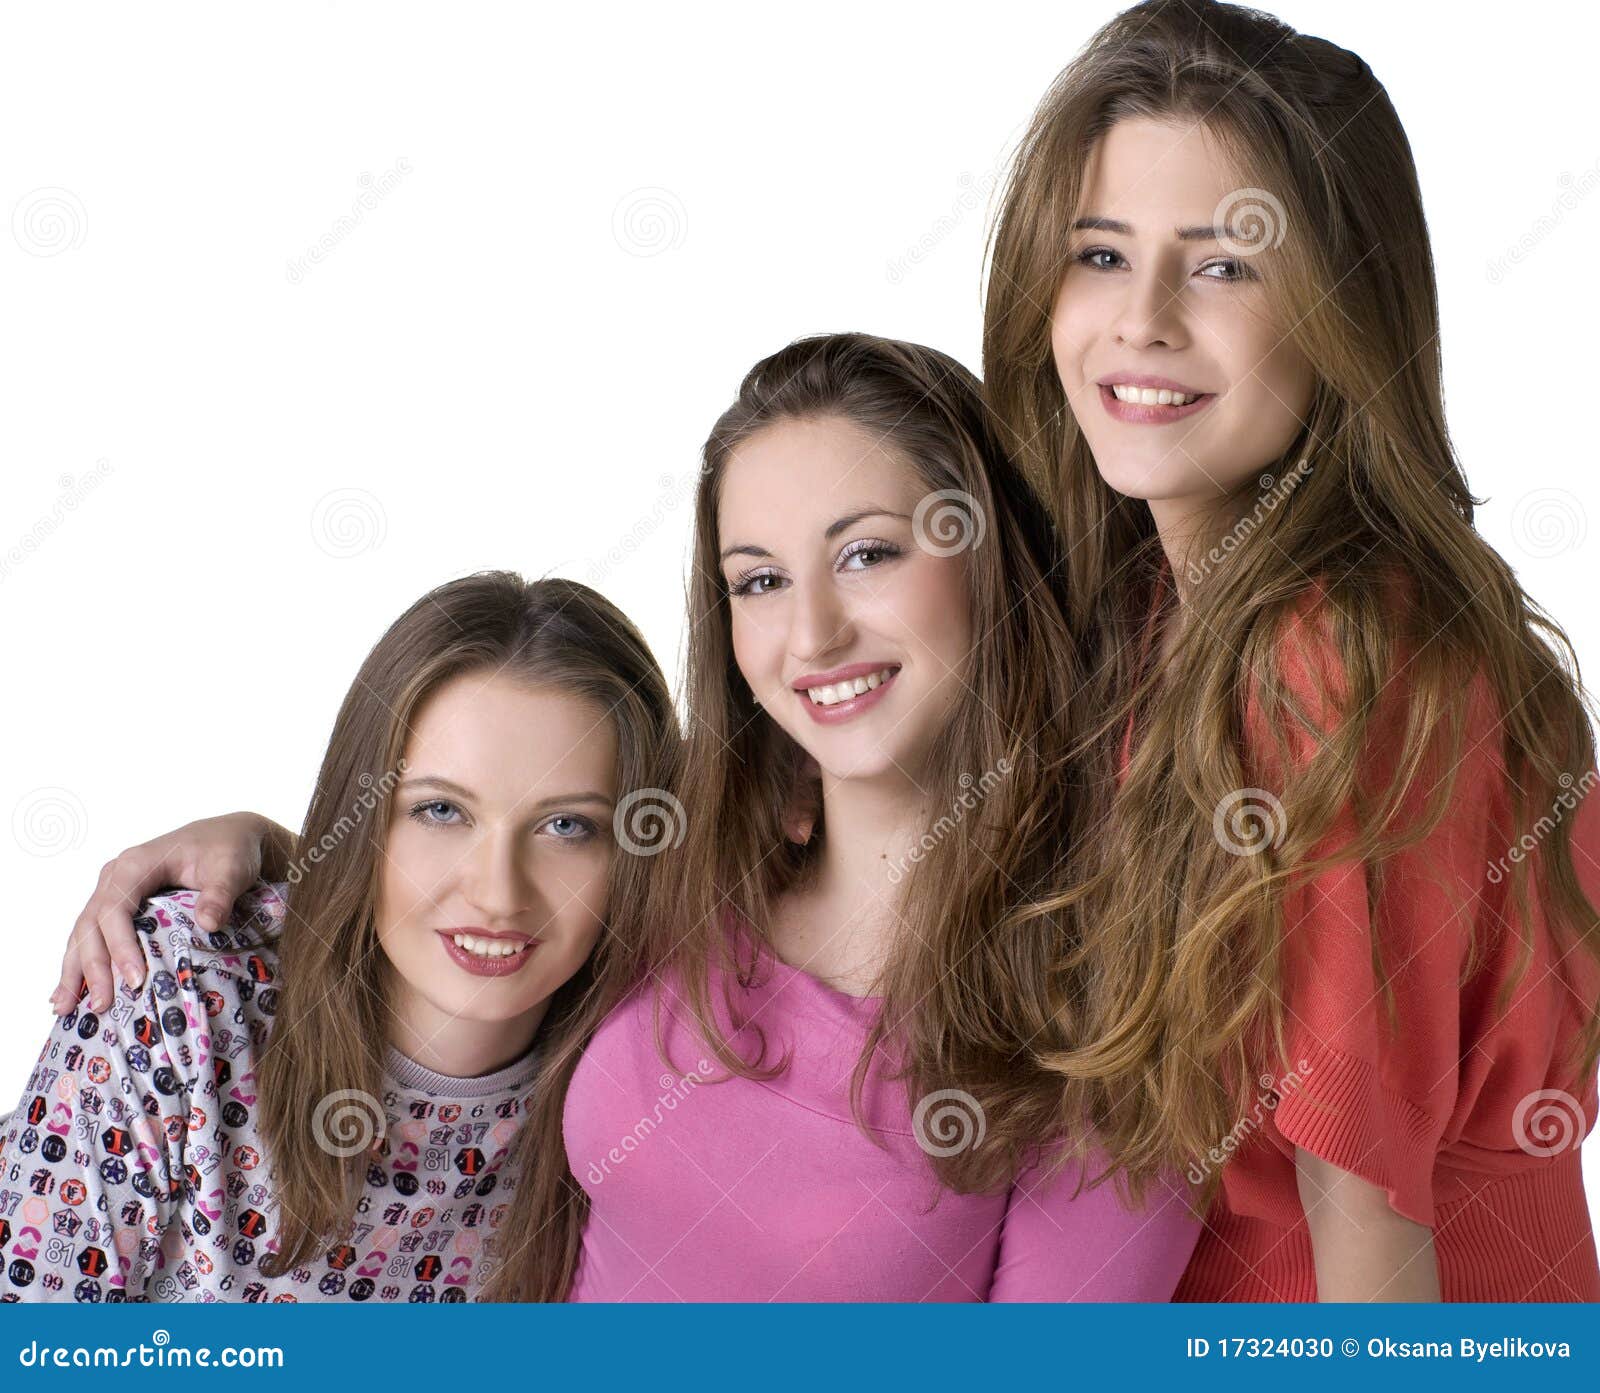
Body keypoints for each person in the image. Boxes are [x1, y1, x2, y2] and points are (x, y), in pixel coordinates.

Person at [981, 0, 1600, 1300]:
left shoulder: (1338, 657)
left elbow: (1368, 1224)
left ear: (1341, 307)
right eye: (1100, 254)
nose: (1140, 318)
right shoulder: (1150, 602)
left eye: (1221, 265)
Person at [1, 573, 676, 1301]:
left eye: (566, 825)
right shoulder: (178, 993)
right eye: (442, 810)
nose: (497, 892)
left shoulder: (646, 1067)